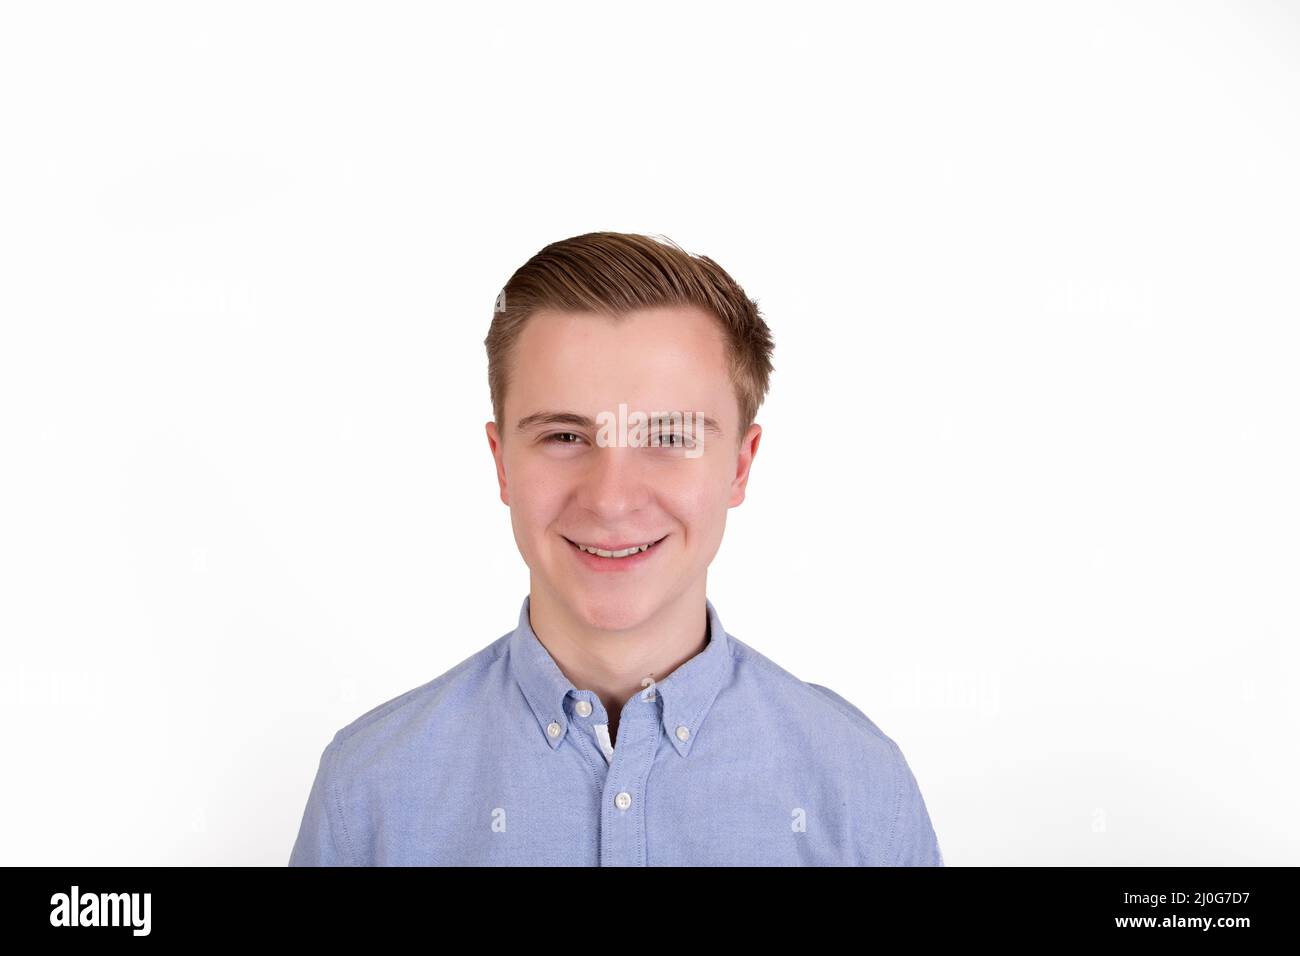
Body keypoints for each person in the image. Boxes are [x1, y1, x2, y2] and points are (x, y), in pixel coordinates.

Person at [288, 232, 943, 866]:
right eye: (566, 437)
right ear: (502, 464)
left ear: (740, 467)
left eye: (667, 436)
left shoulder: (863, 793)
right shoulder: (367, 795)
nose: (610, 499)